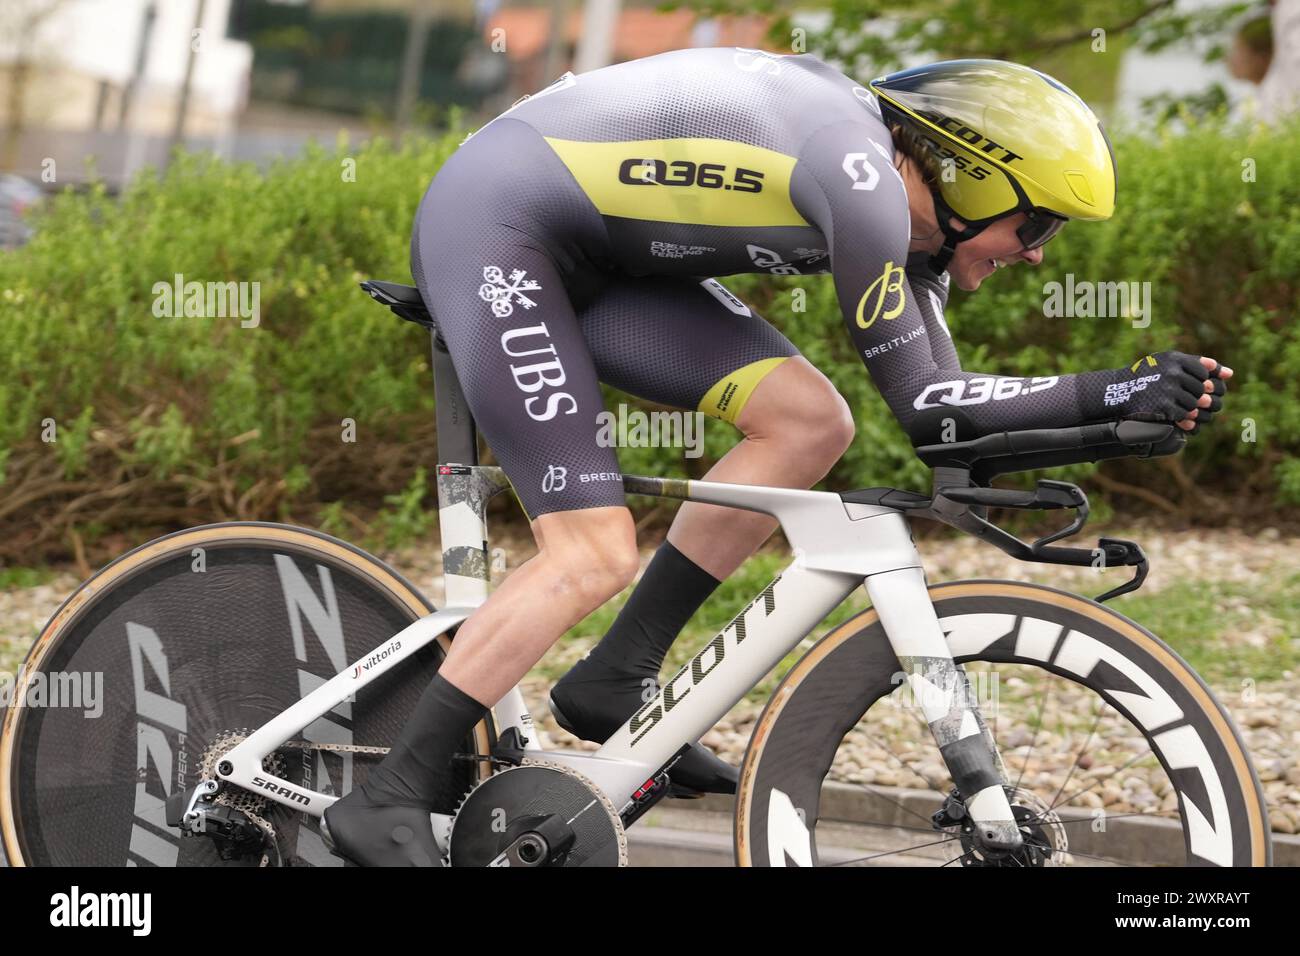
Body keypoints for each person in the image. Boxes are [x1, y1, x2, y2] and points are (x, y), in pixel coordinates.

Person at [322, 50, 1231, 866]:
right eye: (1036, 228)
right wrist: (1108, 391)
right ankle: (389, 796)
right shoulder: (862, 181)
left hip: (604, 258)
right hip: (499, 228)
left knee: (809, 423)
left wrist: (1131, 416)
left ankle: (617, 675)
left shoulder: (912, 231)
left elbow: (953, 420)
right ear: (973, 182)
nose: (1034, 256)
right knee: (590, 551)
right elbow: (929, 409)